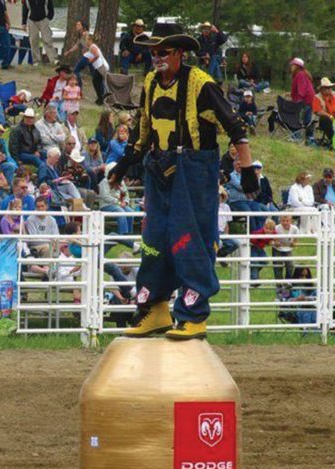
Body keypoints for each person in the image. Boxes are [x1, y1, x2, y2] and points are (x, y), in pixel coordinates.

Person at [108, 22, 256, 340]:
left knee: (189, 240)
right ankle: (156, 307)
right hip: (157, 167)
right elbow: (142, 128)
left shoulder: (200, 83)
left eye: (162, 52)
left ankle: (193, 314)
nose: (155, 57)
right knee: (154, 240)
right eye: (152, 51)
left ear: (178, 53)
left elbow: (235, 127)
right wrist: (124, 163)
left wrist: (246, 170)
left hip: (194, 170)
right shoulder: (150, 81)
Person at [22, 0, 56, 65]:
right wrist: (23, 23)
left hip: (43, 20)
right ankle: (36, 61)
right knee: (33, 41)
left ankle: (53, 60)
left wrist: (48, 18)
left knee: (47, 40)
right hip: (32, 21)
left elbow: (51, 8)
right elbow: (25, 9)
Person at [289, 57, 315, 139]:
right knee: (307, 120)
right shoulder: (303, 73)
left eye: (292, 65)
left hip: (304, 100)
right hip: (309, 99)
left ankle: (296, 137)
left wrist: (298, 102)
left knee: (297, 118)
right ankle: (309, 138)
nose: (291, 67)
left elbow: (302, 89)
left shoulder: (300, 74)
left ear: (296, 66)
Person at [82, 34, 108, 105]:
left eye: (86, 40)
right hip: (99, 66)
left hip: (101, 66)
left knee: (96, 82)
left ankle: (101, 98)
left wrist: (91, 61)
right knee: (98, 82)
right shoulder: (92, 47)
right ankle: (101, 98)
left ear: (90, 40)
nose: (86, 41)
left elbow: (97, 55)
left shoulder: (93, 46)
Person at [215, 187, 238, 263]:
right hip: (213, 232)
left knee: (235, 243)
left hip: (222, 232)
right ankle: (213, 259)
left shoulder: (226, 207)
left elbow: (227, 223)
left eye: (220, 195)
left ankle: (220, 255)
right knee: (219, 243)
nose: (218, 197)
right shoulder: (210, 206)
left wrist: (226, 234)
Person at [273, 213, 298, 280]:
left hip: (288, 248)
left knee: (290, 265)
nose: (285, 223)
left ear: (291, 221)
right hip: (277, 249)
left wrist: (294, 243)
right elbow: (275, 240)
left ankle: (288, 281)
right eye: (283, 221)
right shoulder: (276, 228)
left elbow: (295, 241)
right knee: (277, 266)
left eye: (287, 221)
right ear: (280, 221)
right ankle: (279, 284)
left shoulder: (294, 229)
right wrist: (276, 242)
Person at [312, 77, 335, 148]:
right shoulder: (317, 97)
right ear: (322, 89)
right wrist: (329, 115)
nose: (330, 89)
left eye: (330, 87)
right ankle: (332, 139)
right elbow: (318, 111)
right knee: (325, 119)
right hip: (321, 120)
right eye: (327, 87)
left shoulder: (334, 95)